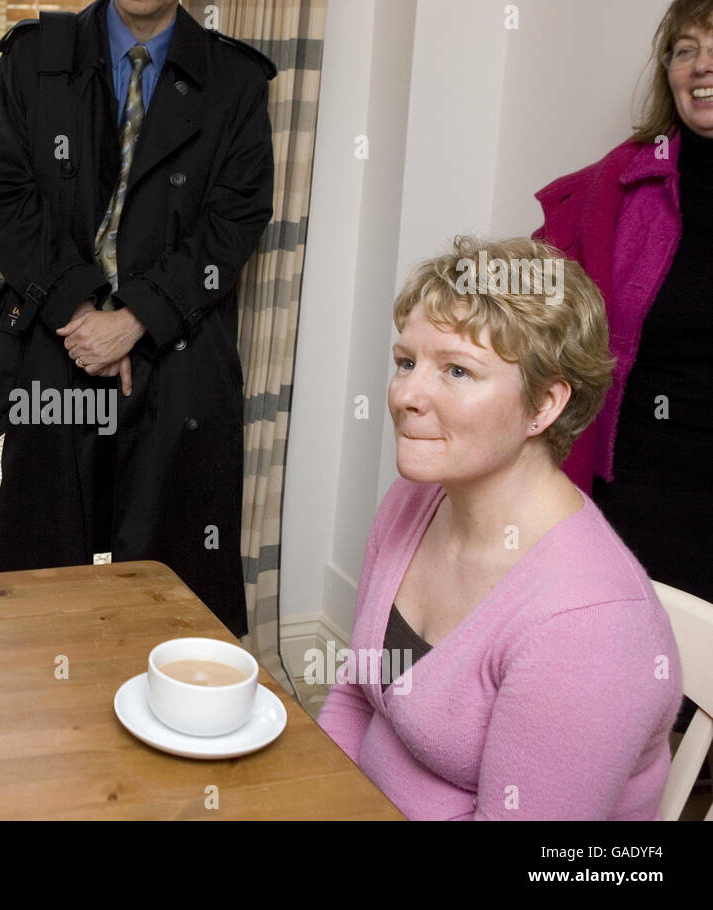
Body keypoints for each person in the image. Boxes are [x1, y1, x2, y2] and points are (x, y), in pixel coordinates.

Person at [316, 236, 682, 820]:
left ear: (543, 406)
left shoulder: (590, 628)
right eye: (406, 362)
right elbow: (355, 701)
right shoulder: (415, 500)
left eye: (457, 371)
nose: (406, 394)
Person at [0, 0, 275, 636]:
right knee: (37, 582)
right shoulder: (35, 56)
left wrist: (137, 317)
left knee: (173, 603)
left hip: (178, 349)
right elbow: (6, 193)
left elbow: (235, 221)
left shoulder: (237, 79)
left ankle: (166, 716)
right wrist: (80, 308)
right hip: (60, 339)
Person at [533, 0, 713, 610]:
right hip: (634, 480)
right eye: (685, 50)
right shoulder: (623, 181)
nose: (700, 66)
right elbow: (535, 290)